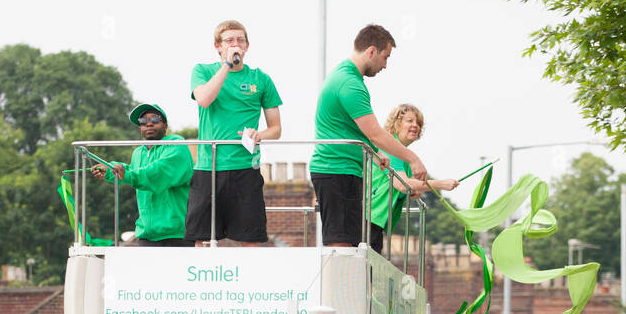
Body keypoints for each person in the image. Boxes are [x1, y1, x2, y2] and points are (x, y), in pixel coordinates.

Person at [310, 23, 429, 249]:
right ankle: (341, 286)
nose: (385, 65)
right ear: (371, 51)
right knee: (341, 244)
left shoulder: (347, 77)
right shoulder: (349, 84)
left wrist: (375, 155)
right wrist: (413, 158)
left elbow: (349, 129)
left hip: (346, 169)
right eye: (385, 57)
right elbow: (375, 133)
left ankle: (347, 285)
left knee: (352, 242)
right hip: (335, 169)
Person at [184, 20, 282, 246]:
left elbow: (276, 129)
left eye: (240, 40)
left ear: (247, 46)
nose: (235, 44)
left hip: (245, 168)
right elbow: (204, 99)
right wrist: (226, 65)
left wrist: (260, 135)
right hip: (209, 166)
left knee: (250, 239)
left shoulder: (261, 79)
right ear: (218, 46)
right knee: (201, 239)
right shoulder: (202, 71)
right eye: (229, 40)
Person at [92, 103, 193, 245]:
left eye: (155, 119)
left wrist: (126, 174)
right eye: (143, 121)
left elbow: (158, 172)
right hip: (146, 235)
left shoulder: (177, 145)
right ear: (140, 128)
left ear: (165, 125)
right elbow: (132, 171)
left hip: (177, 234)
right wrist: (109, 169)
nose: (149, 124)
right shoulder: (138, 152)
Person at [369, 104, 459, 253]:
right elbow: (402, 184)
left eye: (418, 123)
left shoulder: (404, 156)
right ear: (396, 123)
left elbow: (411, 189)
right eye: (409, 121)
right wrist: (441, 184)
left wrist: (414, 190)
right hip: (369, 215)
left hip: (376, 219)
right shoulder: (391, 147)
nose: (415, 126)